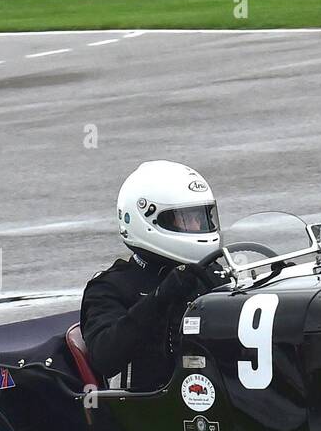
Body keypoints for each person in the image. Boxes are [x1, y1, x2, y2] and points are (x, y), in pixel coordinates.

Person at [80, 162, 224, 391]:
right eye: (185, 219)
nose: (197, 225)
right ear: (147, 219)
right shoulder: (110, 288)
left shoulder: (210, 275)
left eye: (201, 217)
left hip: (215, 399)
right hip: (149, 413)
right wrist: (161, 297)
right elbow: (104, 356)